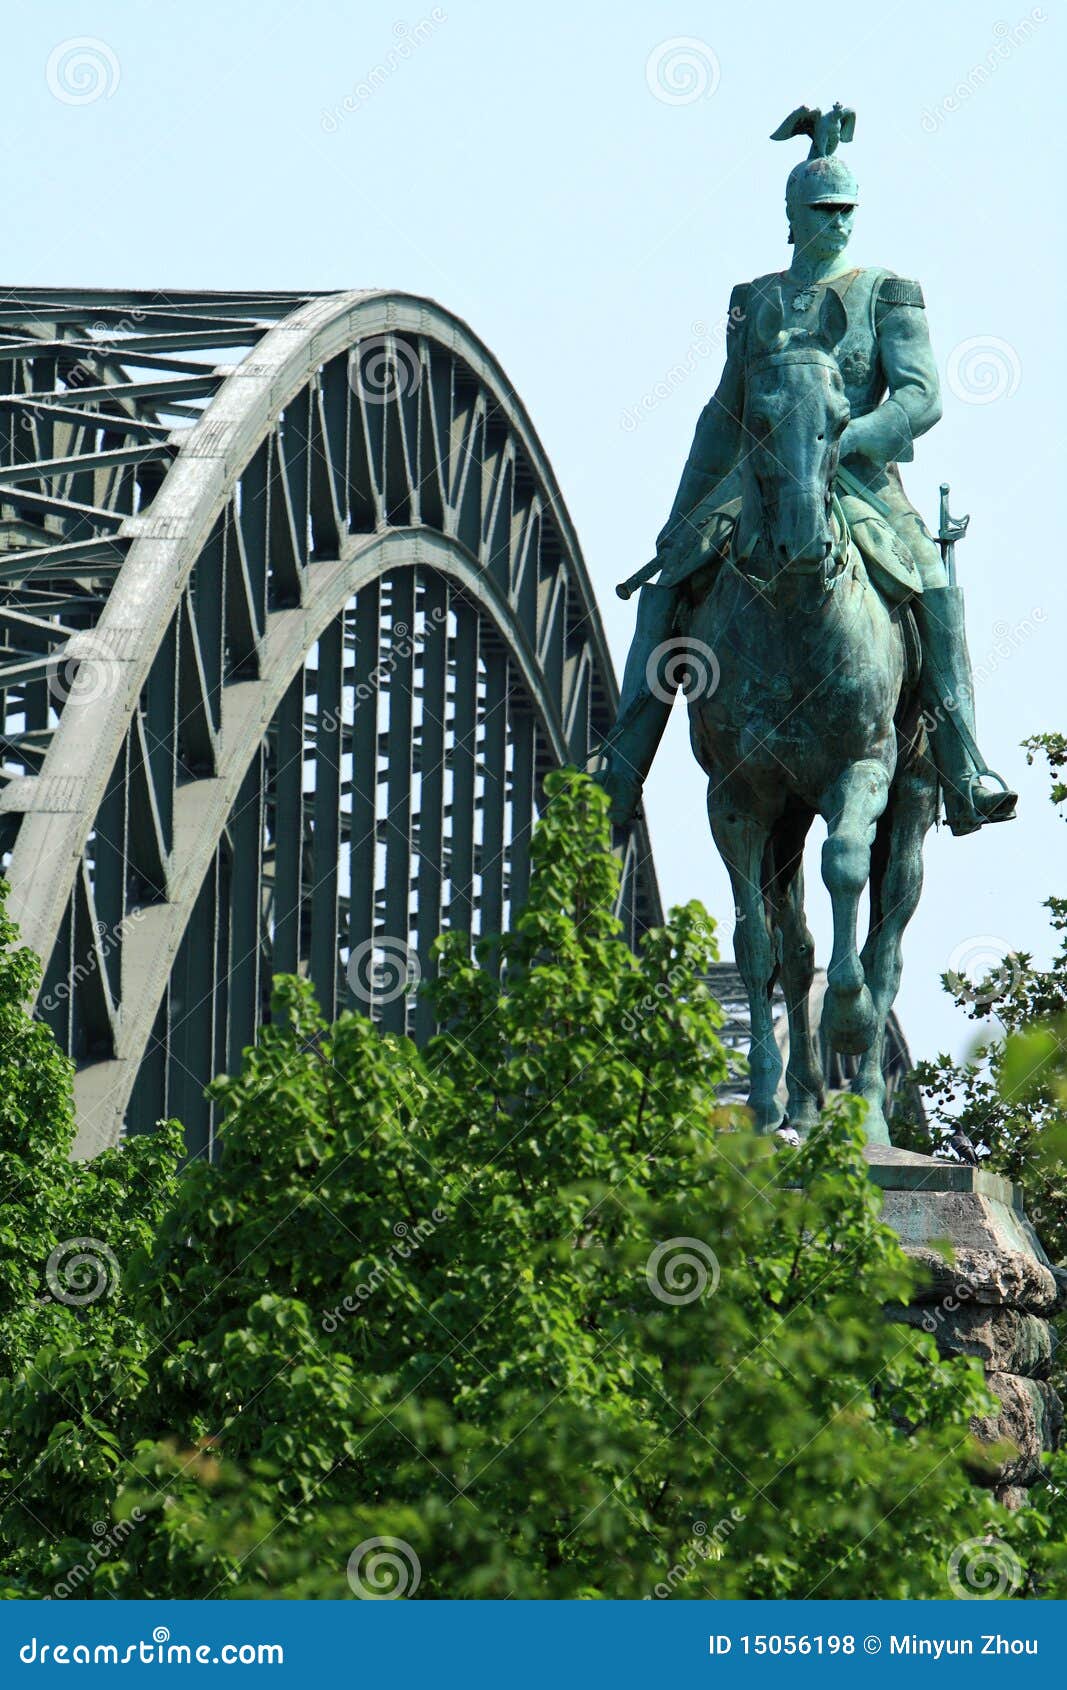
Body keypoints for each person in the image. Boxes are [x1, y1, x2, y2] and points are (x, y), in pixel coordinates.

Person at [596, 116, 1016, 838]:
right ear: (790, 217)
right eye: (823, 211)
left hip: (859, 477)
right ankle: (622, 763)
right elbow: (721, 413)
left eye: (846, 209)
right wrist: (681, 516)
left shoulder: (889, 292)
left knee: (936, 587)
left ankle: (962, 762)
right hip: (756, 483)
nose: (837, 222)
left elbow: (920, 397)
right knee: (667, 588)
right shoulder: (752, 298)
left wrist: (843, 438)